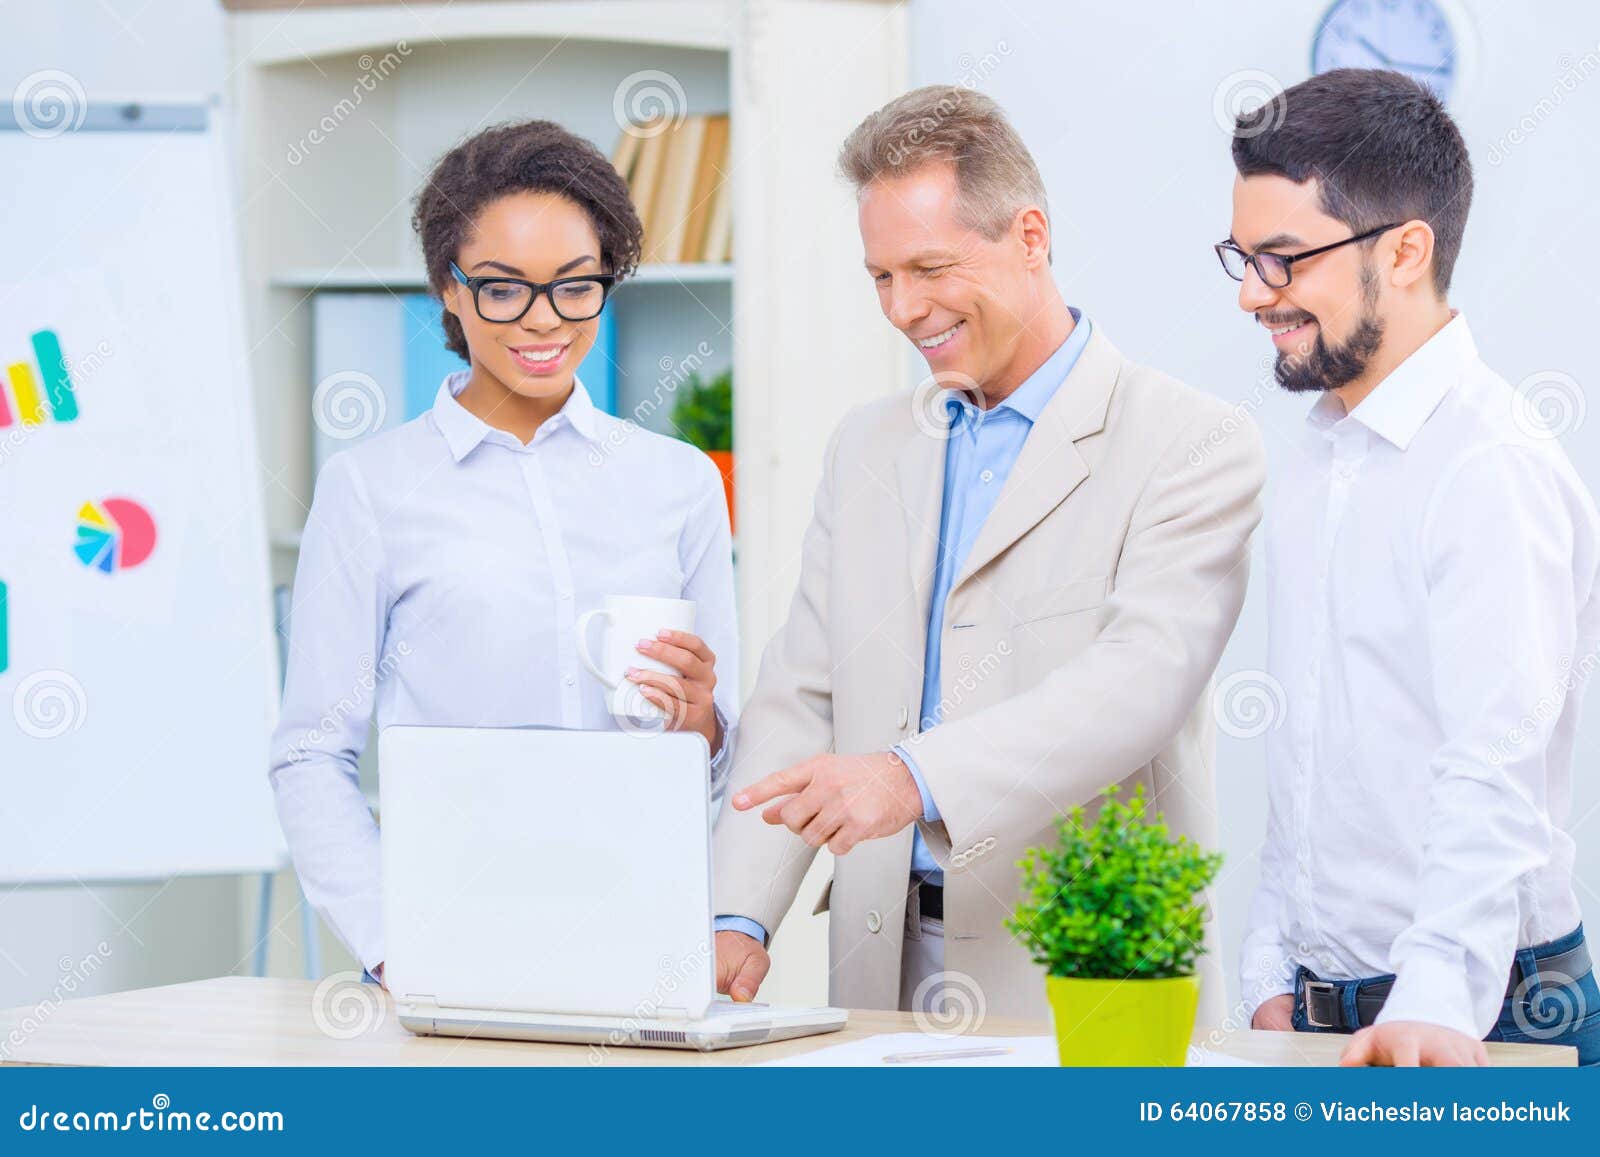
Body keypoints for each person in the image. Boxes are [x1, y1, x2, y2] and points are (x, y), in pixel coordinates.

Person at [712, 86, 1265, 1020]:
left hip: (1082, 984)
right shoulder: (867, 447)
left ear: (1032, 237)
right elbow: (804, 690)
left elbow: (1137, 685)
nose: (902, 308)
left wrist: (909, 776)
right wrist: (738, 911)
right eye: (880, 276)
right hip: (883, 969)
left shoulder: (1193, 442)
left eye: (929, 267)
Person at [269, 120, 737, 984]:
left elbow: (721, 757)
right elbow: (310, 753)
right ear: (450, 289)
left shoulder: (679, 484)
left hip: (646, 937)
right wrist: (390, 945)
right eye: (502, 289)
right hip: (450, 940)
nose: (543, 320)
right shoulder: (372, 488)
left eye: (574, 286)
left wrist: (704, 721)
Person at [1222, 69, 1600, 1066]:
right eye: (1243, 257)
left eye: (1283, 260)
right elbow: (1308, 749)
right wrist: (1269, 968)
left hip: (1483, 1007)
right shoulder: (1319, 456)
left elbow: (1493, 765)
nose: (1254, 295)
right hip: (1324, 1006)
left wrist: (1433, 996)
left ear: (1404, 249)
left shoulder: (1490, 465)